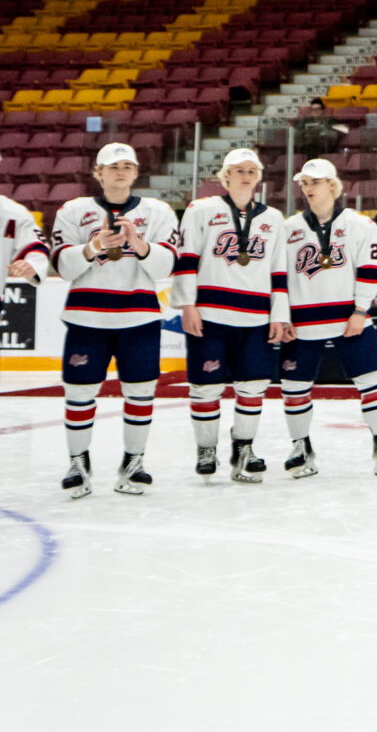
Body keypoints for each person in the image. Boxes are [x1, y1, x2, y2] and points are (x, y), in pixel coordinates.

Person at [275, 158, 377, 477]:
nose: (308, 188)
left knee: (373, 380)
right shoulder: (289, 229)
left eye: (315, 182)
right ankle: (300, 447)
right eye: (304, 183)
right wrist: (282, 317)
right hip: (302, 322)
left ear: (332, 185)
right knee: (294, 385)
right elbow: (279, 277)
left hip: (349, 319)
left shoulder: (360, 224)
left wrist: (359, 310)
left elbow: (369, 271)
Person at [50, 142, 177, 497]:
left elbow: (165, 267)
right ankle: (78, 461)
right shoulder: (73, 210)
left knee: (140, 391)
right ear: (98, 173)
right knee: (79, 392)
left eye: (126, 165)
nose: (120, 171)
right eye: (112, 166)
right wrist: (92, 248)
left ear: (136, 172)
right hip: (86, 317)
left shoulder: (158, 212)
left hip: (139, 316)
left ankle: (133, 462)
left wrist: (139, 244)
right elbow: (63, 267)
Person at [172, 148, 287, 484]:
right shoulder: (201, 209)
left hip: (256, 317)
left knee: (253, 385)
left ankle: (244, 449)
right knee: (205, 386)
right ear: (225, 176)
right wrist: (187, 304)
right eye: (238, 170)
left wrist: (278, 316)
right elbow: (187, 259)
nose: (246, 175)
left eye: (252, 170)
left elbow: (278, 272)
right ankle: (206, 450)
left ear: (259, 177)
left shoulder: (273, 219)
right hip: (210, 315)